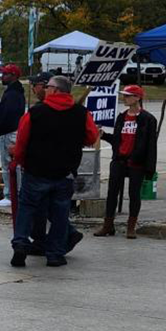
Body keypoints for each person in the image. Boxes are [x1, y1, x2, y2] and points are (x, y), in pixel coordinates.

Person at [9, 75, 98, 267]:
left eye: (48, 87)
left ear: (55, 90)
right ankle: (55, 253)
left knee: (27, 208)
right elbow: (91, 136)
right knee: (60, 214)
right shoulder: (81, 113)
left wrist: (18, 160)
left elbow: (22, 140)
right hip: (65, 172)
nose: (45, 90)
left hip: (36, 171)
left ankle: (21, 244)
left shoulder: (36, 112)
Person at [95, 85, 159, 239]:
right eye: (124, 95)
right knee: (112, 193)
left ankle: (131, 227)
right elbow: (117, 140)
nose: (124, 98)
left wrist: (150, 168)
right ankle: (108, 225)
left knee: (134, 194)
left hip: (137, 162)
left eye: (128, 95)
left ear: (137, 98)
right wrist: (103, 135)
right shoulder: (121, 117)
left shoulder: (148, 119)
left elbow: (151, 145)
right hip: (119, 160)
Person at [0, 64, 26, 209]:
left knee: (9, 166)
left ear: (14, 76)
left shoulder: (12, 94)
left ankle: (10, 195)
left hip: (8, 133)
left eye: (5, 74)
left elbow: (9, 117)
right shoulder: (14, 92)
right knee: (12, 166)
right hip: (11, 131)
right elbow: (8, 112)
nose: (2, 77)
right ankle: (14, 193)